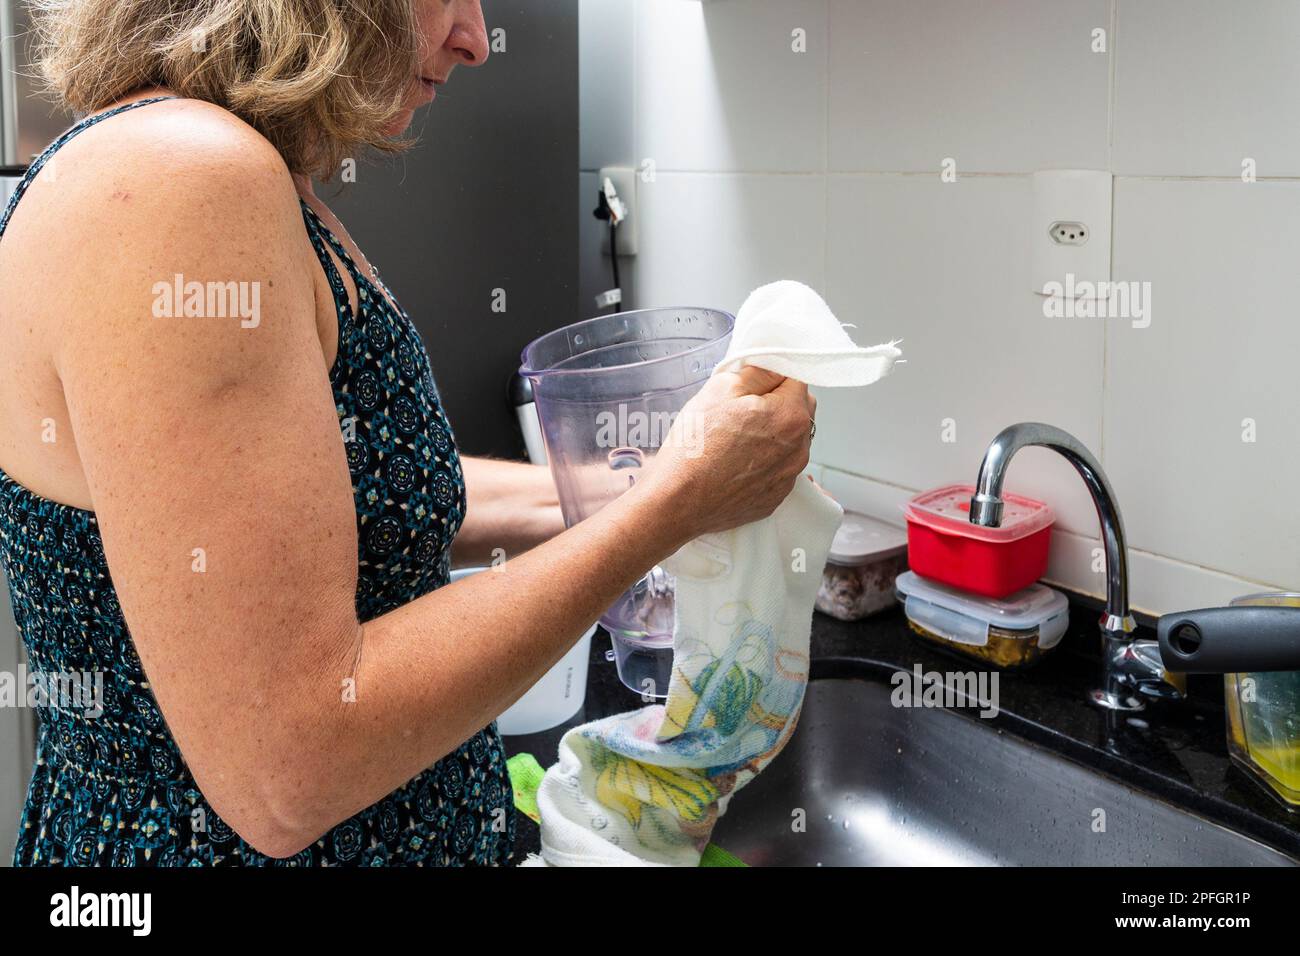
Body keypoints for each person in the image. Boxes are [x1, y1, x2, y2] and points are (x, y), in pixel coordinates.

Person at [0, 0, 817, 866]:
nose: (475, 39)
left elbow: (344, 495)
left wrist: (642, 484)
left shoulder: (242, 173)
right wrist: (672, 505)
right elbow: (293, 767)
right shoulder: (183, 179)